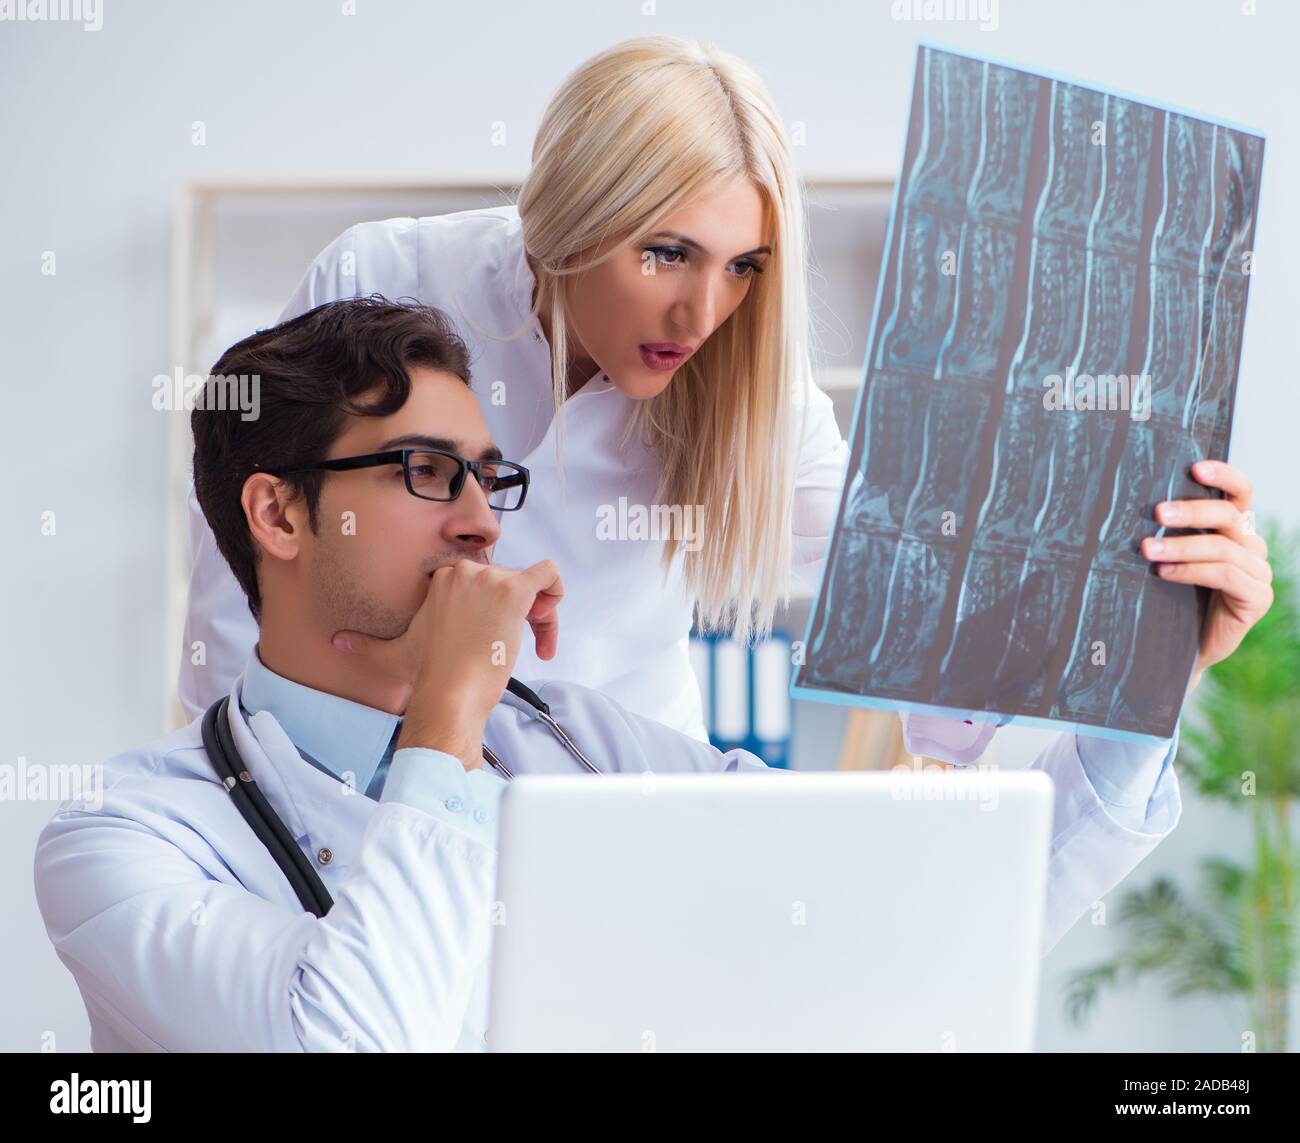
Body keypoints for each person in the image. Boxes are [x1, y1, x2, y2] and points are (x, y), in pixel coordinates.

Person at [34, 300, 1273, 1051]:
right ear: (281, 515)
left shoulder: (575, 740)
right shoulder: (127, 840)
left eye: (489, 479)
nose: (479, 523)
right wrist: (449, 717)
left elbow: (901, 907)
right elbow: (356, 1035)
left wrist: (1141, 680)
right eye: (424, 474)